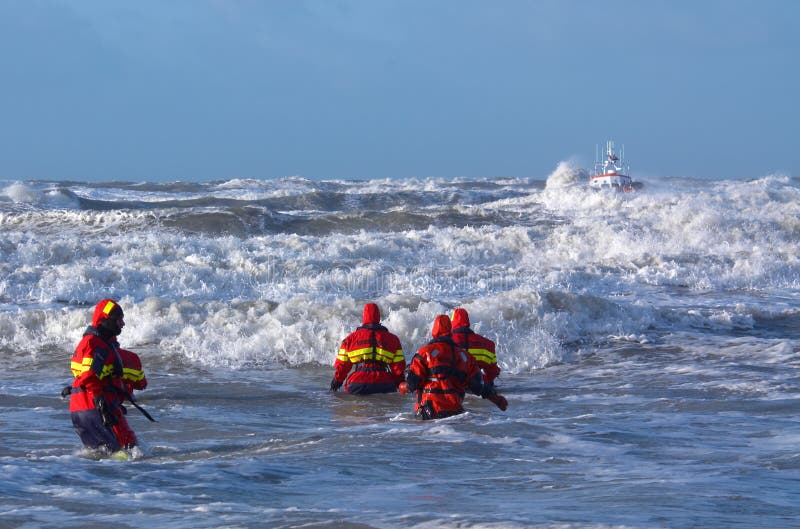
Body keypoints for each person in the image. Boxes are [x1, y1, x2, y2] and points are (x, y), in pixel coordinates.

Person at [400, 314, 508, 420]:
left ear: (434, 331)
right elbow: (478, 386)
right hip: (456, 414)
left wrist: (401, 387)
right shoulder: (465, 356)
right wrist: (497, 399)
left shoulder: (424, 353)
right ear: (450, 332)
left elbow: (412, 384)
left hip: (428, 414)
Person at [68, 299, 133, 453]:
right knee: (128, 450)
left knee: (102, 455)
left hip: (79, 409)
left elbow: (82, 375)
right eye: (119, 320)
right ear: (107, 320)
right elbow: (89, 376)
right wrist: (102, 404)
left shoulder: (88, 342)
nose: (122, 324)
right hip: (95, 407)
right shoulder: (97, 344)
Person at [331, 302, 406, 394]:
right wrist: (401, 384)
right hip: (385, 384)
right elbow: (398, 369)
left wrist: (336, 382)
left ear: (364, 317)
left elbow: (342, 367)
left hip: (357, 384)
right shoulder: (393, 339)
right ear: (378, 317)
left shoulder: (350, 339)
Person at [451, 308, 500, 385]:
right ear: (468, 322)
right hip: (476, 386)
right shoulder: (487, 344)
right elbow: (492, 373)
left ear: (452, 323)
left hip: (452, 387)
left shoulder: (445, 343)